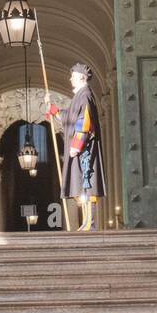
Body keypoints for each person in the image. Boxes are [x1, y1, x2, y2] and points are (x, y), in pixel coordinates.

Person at [49, 62, 106, 232]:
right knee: (83, 185)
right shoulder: (80, 95)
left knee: (88, 185)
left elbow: (84, 121)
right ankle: (87, 222)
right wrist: (55, 111)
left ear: (82, 77)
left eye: (72, 76)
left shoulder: (85, 95)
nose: (70, 79)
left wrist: (77, 144)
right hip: (81, 149)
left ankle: (90, 223)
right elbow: (72, 118)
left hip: (85, 150)